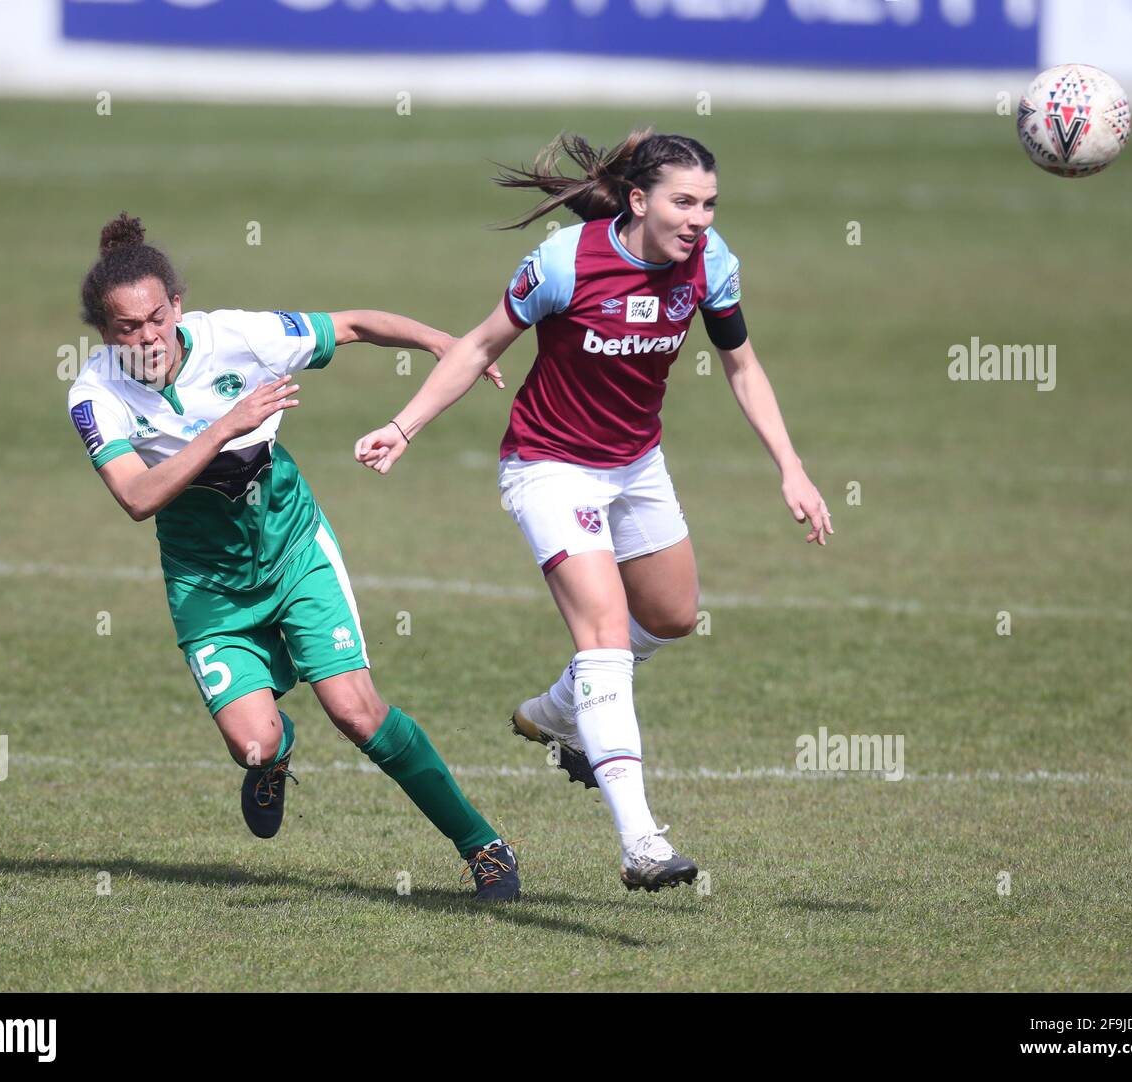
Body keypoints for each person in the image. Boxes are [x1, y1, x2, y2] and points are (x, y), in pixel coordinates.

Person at [355, 130, 832, 892]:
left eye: (709, 204)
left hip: (637, 464)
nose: (699, 218)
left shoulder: (711, 263)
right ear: (640, 201)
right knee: (605, 636)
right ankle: (640, 842)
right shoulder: (564, 261)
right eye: (684, 202)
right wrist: (403, 426)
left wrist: (792, 467)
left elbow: (742, 364)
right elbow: (479, 347)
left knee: (673, 616)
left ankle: (554, 711)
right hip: (548, 467)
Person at [67, 213, 519, 901]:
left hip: (293, 549)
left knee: (357, 712)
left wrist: (443, 343)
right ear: (104, 333)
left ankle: (482, 846)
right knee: (253, 743)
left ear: (177, 306)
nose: (147, 338)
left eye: (156, 318)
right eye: (127, 328)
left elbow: (355, 324)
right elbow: (137, 497)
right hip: (208, 588)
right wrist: (227, 425)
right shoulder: (95, 394)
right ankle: (274, 756)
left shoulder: (240, 338)